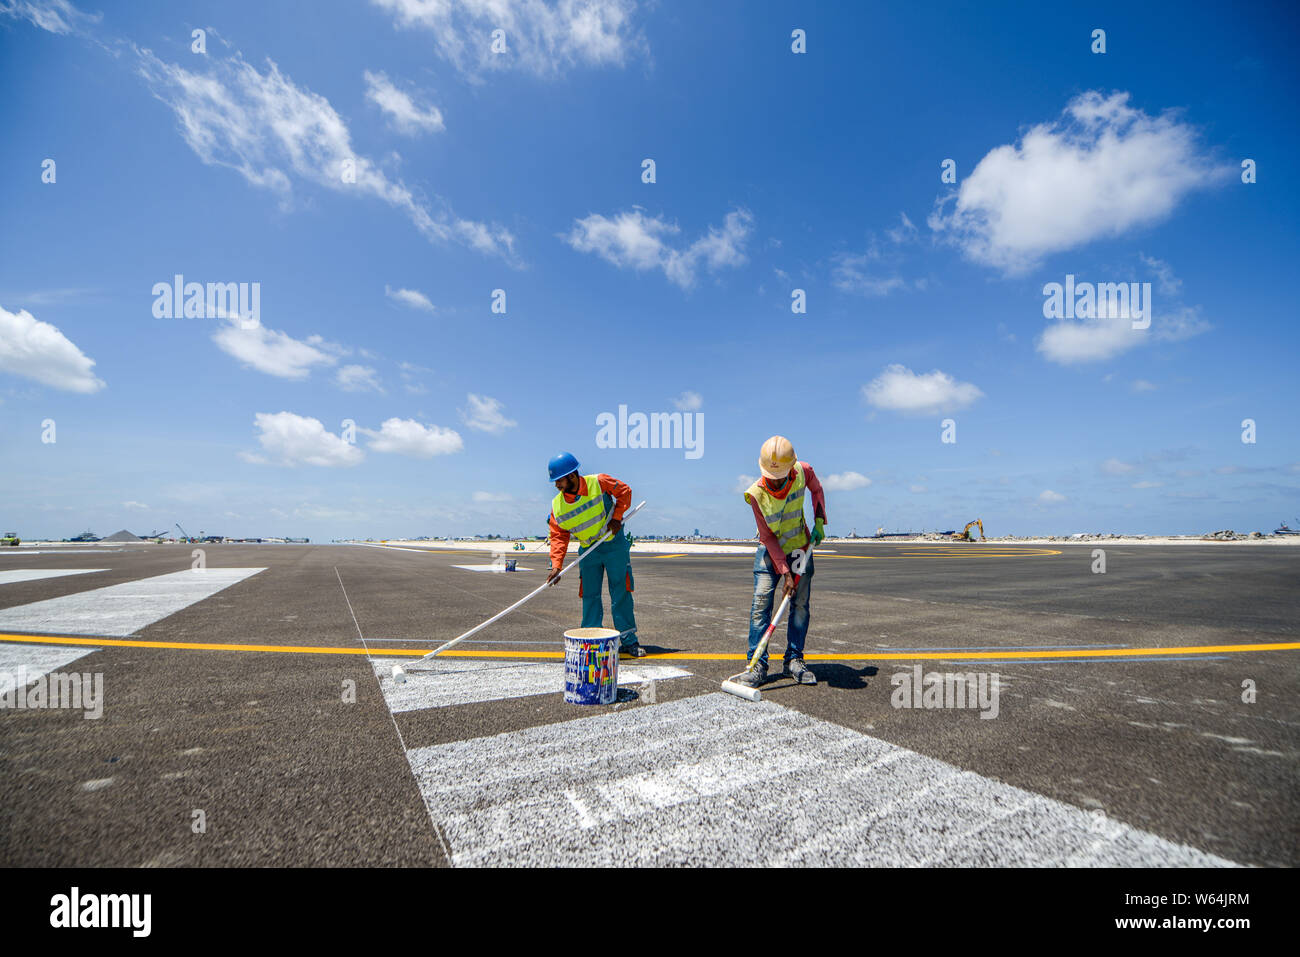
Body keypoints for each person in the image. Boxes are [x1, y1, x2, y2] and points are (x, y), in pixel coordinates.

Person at [732, 435, 827, 689]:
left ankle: (794, 660)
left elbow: (817, 490)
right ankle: (757, 665)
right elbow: (768, 537)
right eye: (771, 478)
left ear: (790, 470)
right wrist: (786, 574)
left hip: (800, 547)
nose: (775, 482)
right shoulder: (755, 494)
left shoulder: (803, 471)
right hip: (769, 550)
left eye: (780, 477)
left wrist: (819, 520)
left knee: (800, 606)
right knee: (760, 605)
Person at [544, 452, 645, 657]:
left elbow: (624, 492)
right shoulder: (557, 507)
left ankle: (628, 639)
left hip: (614, 546)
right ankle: (591, 639)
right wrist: (556, 566)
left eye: (559, 480)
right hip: (588, 551)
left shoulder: (598, 482)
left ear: (572, 476)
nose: (556, 486)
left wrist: (617, 518)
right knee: (589, 595)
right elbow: (558, 537)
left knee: (621, 592)